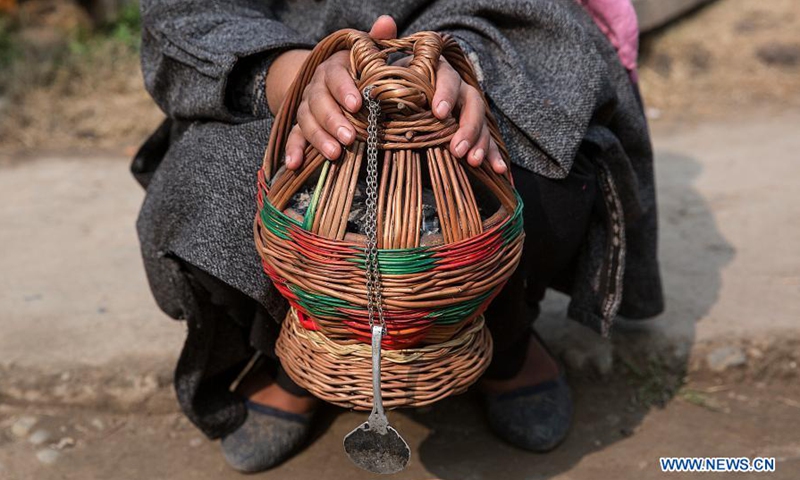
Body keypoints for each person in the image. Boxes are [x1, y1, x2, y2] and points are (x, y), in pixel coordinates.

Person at [131, 0, 663, 473]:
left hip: (472, 44)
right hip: (282, 58)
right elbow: (181, 13)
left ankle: (509, 342)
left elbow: (544, 17)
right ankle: (291, 352)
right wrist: (292, 76)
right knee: (216, 189)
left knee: (527, 168)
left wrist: (460, 69)